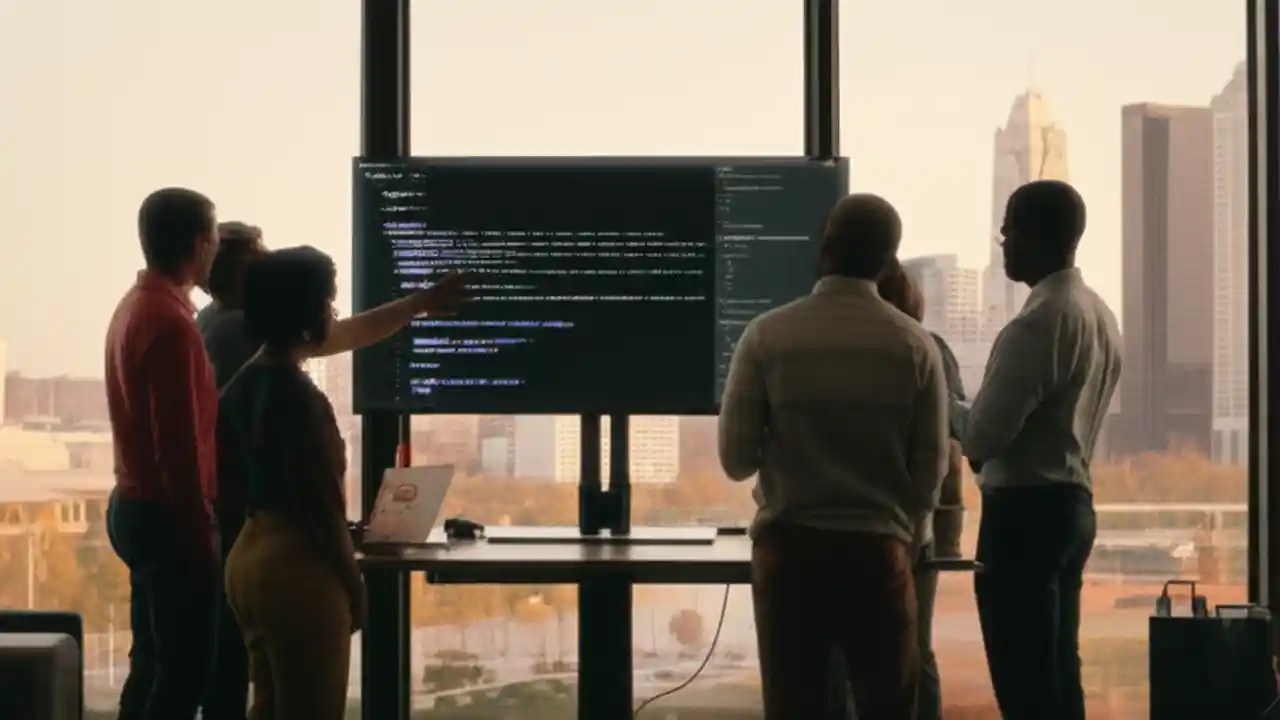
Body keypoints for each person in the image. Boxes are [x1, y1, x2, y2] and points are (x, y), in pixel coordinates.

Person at [197, 224, 466, 719]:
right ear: (307, 317)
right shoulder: (302, 400)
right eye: (328, 303)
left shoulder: (242, 385)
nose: (334, 314)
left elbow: (232, 484)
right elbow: (321, 508)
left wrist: (418, 303)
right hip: (298, 571)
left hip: (246, 561)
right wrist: (353, 584)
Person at [719, 194, 949, 720]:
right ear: (890, 261)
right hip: (878, 555)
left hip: (789, 558)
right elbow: (929, 474)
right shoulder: (915, 345)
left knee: (794, 707)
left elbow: (735, 459)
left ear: (823, 250)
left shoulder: (766, 336)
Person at [961, 180, 1121, 720]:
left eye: (1009, 228)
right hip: (1073, 509)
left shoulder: (1038, 322)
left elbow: (983, 437)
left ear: (1033, 235)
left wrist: (943, 401)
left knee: (1024, 683)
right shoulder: (1099, 314)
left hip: (1023, 517)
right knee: (1057, 675)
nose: (1002, 240)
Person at [104, 187, 222, 719]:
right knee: (184, 673)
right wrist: (204, 540)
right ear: (199, 244)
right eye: (214, 237)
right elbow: (178, 448)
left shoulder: (135, 307)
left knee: (152, 663)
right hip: (166, 517)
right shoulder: (174, 326)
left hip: (135, 505)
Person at [876, 258, 967, 720]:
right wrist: (946, 536)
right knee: (918, 649)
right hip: (918, 527)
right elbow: (950, 446)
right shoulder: (933, 349)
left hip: (859, 524)